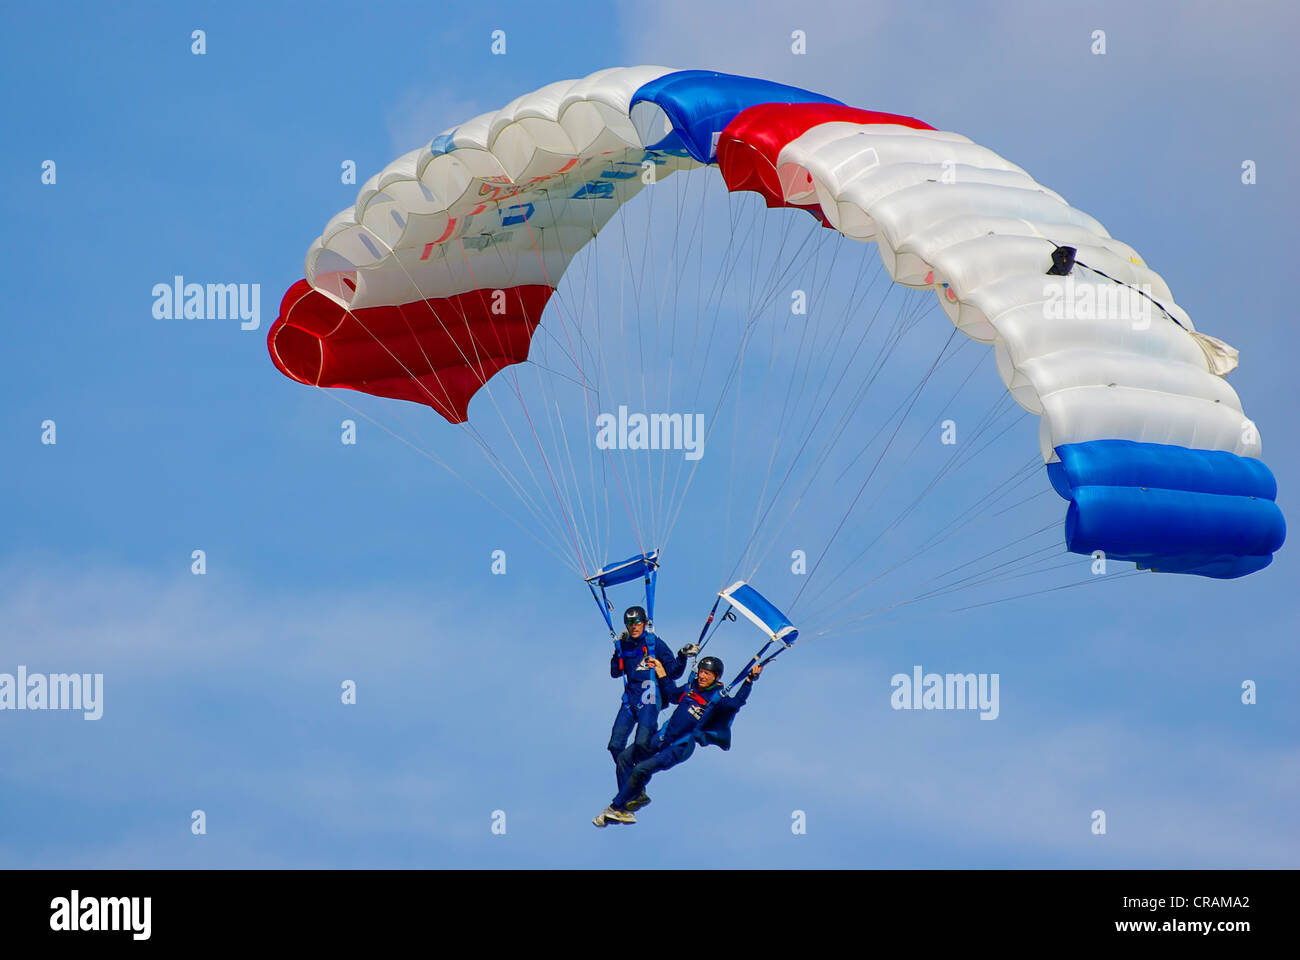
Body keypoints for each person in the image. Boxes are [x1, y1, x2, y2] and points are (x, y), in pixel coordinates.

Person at [594, 655, 763, 827]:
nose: (702, 676)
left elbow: (735, 704)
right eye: (701, 672)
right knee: (624, 758)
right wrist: (660, 671)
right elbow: (673, 695)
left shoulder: (718, 699)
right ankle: (634, 797)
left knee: (640, 769)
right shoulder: (691, 687)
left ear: (716, 677)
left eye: (707, 674)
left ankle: (616, 807)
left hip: (679, 747)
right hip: (663, 736)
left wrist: (749, 681)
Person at [606, 606, 697, 786]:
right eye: (629, 623)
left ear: (645, 623)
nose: (633, 626)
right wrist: (618, 650)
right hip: (630, 698)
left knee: (642, 742)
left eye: (637, 622)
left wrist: (683, 656)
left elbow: (673, 671)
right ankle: (632, 787)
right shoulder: (624, 645)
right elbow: (615, 671)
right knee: (615, 745)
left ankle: (637, 780)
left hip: (649, 696)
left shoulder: (653, 643)